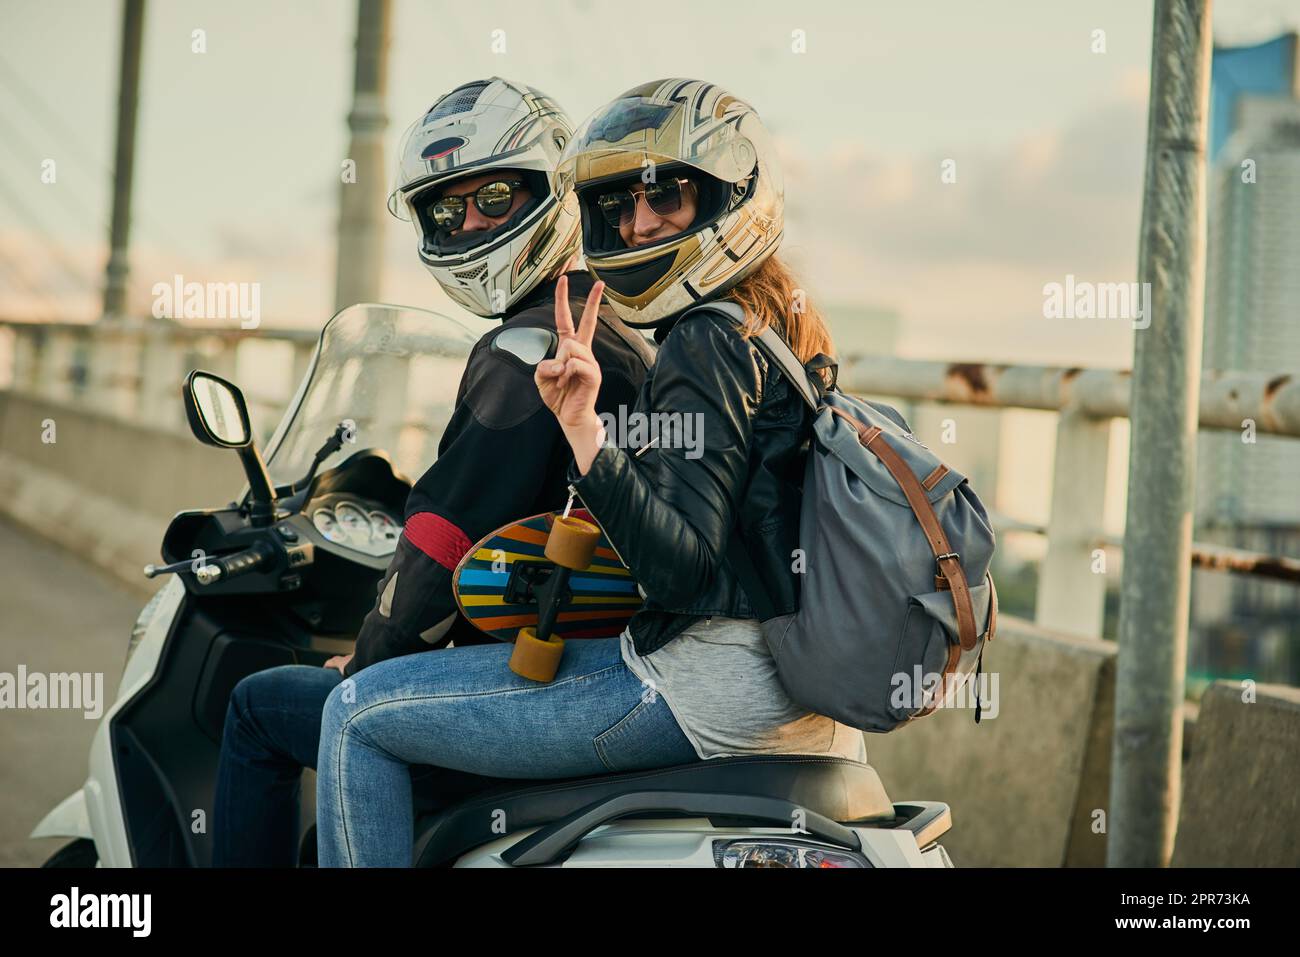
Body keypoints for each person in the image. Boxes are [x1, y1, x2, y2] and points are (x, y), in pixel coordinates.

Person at [314, 79, 866, 868]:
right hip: (797, 700)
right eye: (620, 206)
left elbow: (683, 569)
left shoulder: (706, 340)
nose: (639, 223)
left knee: (356, 714)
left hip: (700, 690)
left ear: (728, 193)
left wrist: (584, 434)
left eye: (665, 198)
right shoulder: (779, 323)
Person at [210, 77, 655, 867]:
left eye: (494, 194)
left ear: (553, 188)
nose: (472, 222)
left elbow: (441, 541)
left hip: (548, 680)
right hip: (614, 665)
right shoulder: (616, 328)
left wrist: (370, 661)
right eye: (447, 210)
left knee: (258, 705)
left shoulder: (526, 348)